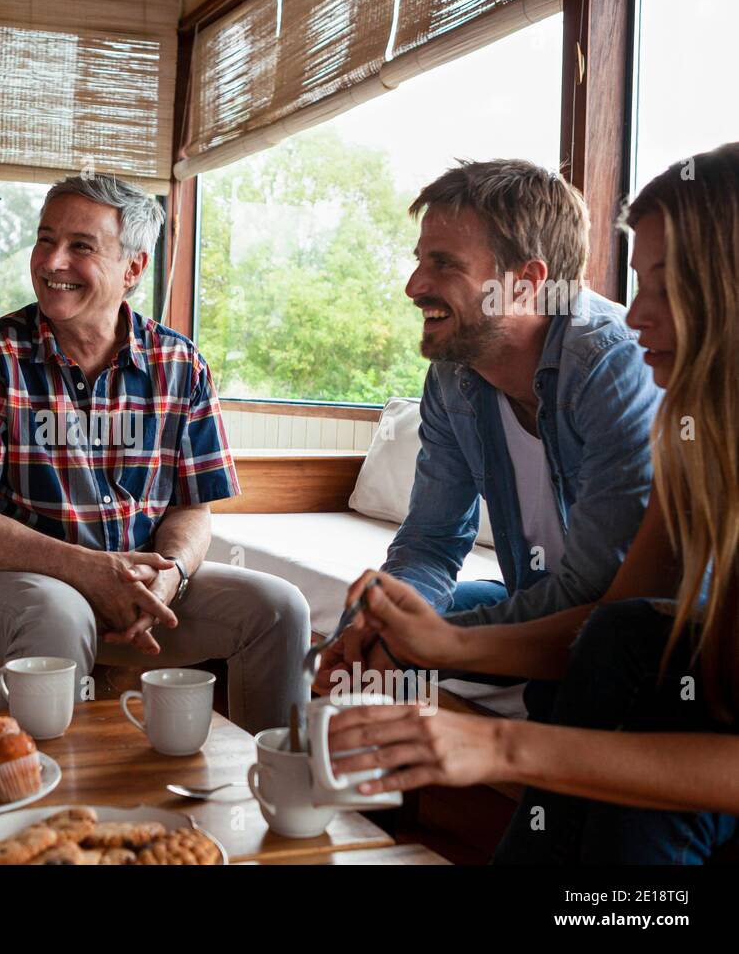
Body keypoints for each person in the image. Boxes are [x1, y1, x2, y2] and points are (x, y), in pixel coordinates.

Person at [316, 145, 739, 863]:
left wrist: (502, 743)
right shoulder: (693, 431)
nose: (636, 317)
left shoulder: (611, 369)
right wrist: (421, 636)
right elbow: (606, 623)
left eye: (665, 288)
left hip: (690, 697)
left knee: (618, 669)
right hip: (646, 647)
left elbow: (592, 595)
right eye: (637, 286)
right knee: (621, 638)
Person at [0, 174, 308, 734]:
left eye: (81, 246)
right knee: (60, 609)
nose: (52, 262)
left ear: (133, 269)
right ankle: (44, 808)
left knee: (279, 606)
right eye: (45, 238)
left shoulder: (181, 365)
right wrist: (91, 572)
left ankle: (273, 790)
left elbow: (193, 508)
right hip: (0, 578)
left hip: (136, 577)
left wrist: (170, 575)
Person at [339, 161, 660, 695]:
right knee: (351, 644)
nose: (413, 286)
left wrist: (422, 645)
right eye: (420, 260)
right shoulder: (452, 374)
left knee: (559, 684)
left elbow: (597, 593)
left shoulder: (614, 366)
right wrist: (384, 618)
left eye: (444, 265)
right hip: (534, 591)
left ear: (527, 282)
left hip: (614, 620)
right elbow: (432, 540)